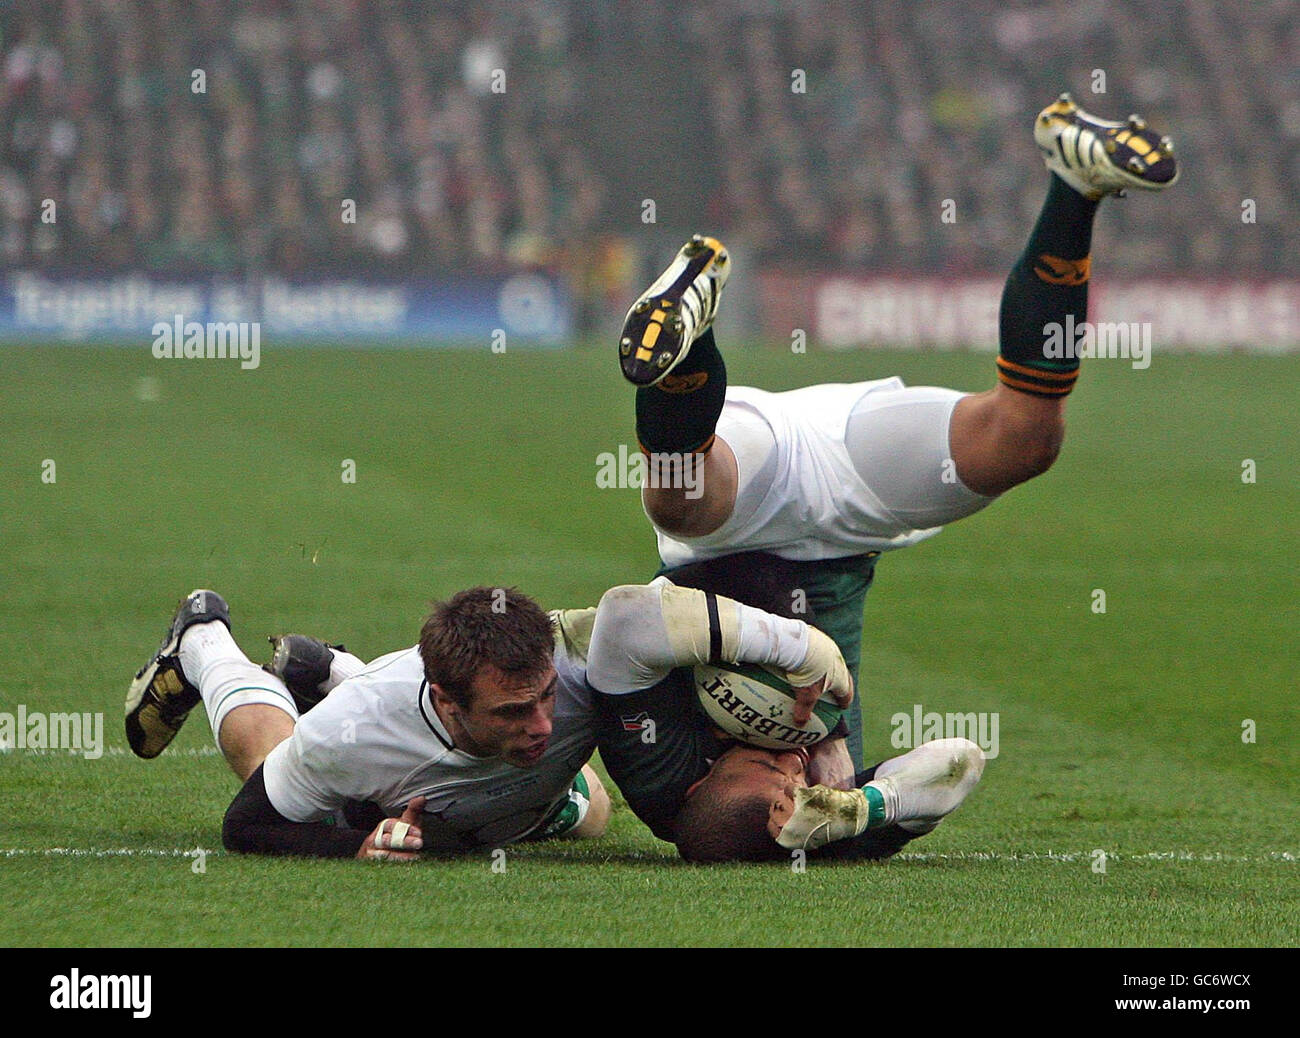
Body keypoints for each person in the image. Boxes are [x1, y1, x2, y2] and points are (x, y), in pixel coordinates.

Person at [602, 94, 1179, 859]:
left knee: (677, 498)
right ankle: (1076, 185)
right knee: (1025, 439)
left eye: (767, 774)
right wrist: (869, 807)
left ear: (703, 790)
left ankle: (686, 351)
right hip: (848, 509)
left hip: (738, 504)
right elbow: (958, 762)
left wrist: (798, 650)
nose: (790, 769)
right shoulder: (825, 818)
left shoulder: (655, 773)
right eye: (791, 790)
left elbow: (620, 622)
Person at [124, 576, 853, 860]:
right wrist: (354, 845)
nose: (542, 722)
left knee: (594, 811)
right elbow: (243, 828)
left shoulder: (570, 658)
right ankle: (204, 642)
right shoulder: (351, 737)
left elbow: (659, 615)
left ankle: (327, 668)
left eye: (545, 699)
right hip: (380, 737)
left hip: (506, 796)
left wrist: (808, 682)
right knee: (271, 757)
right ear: (448, 704)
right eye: (514, 711)